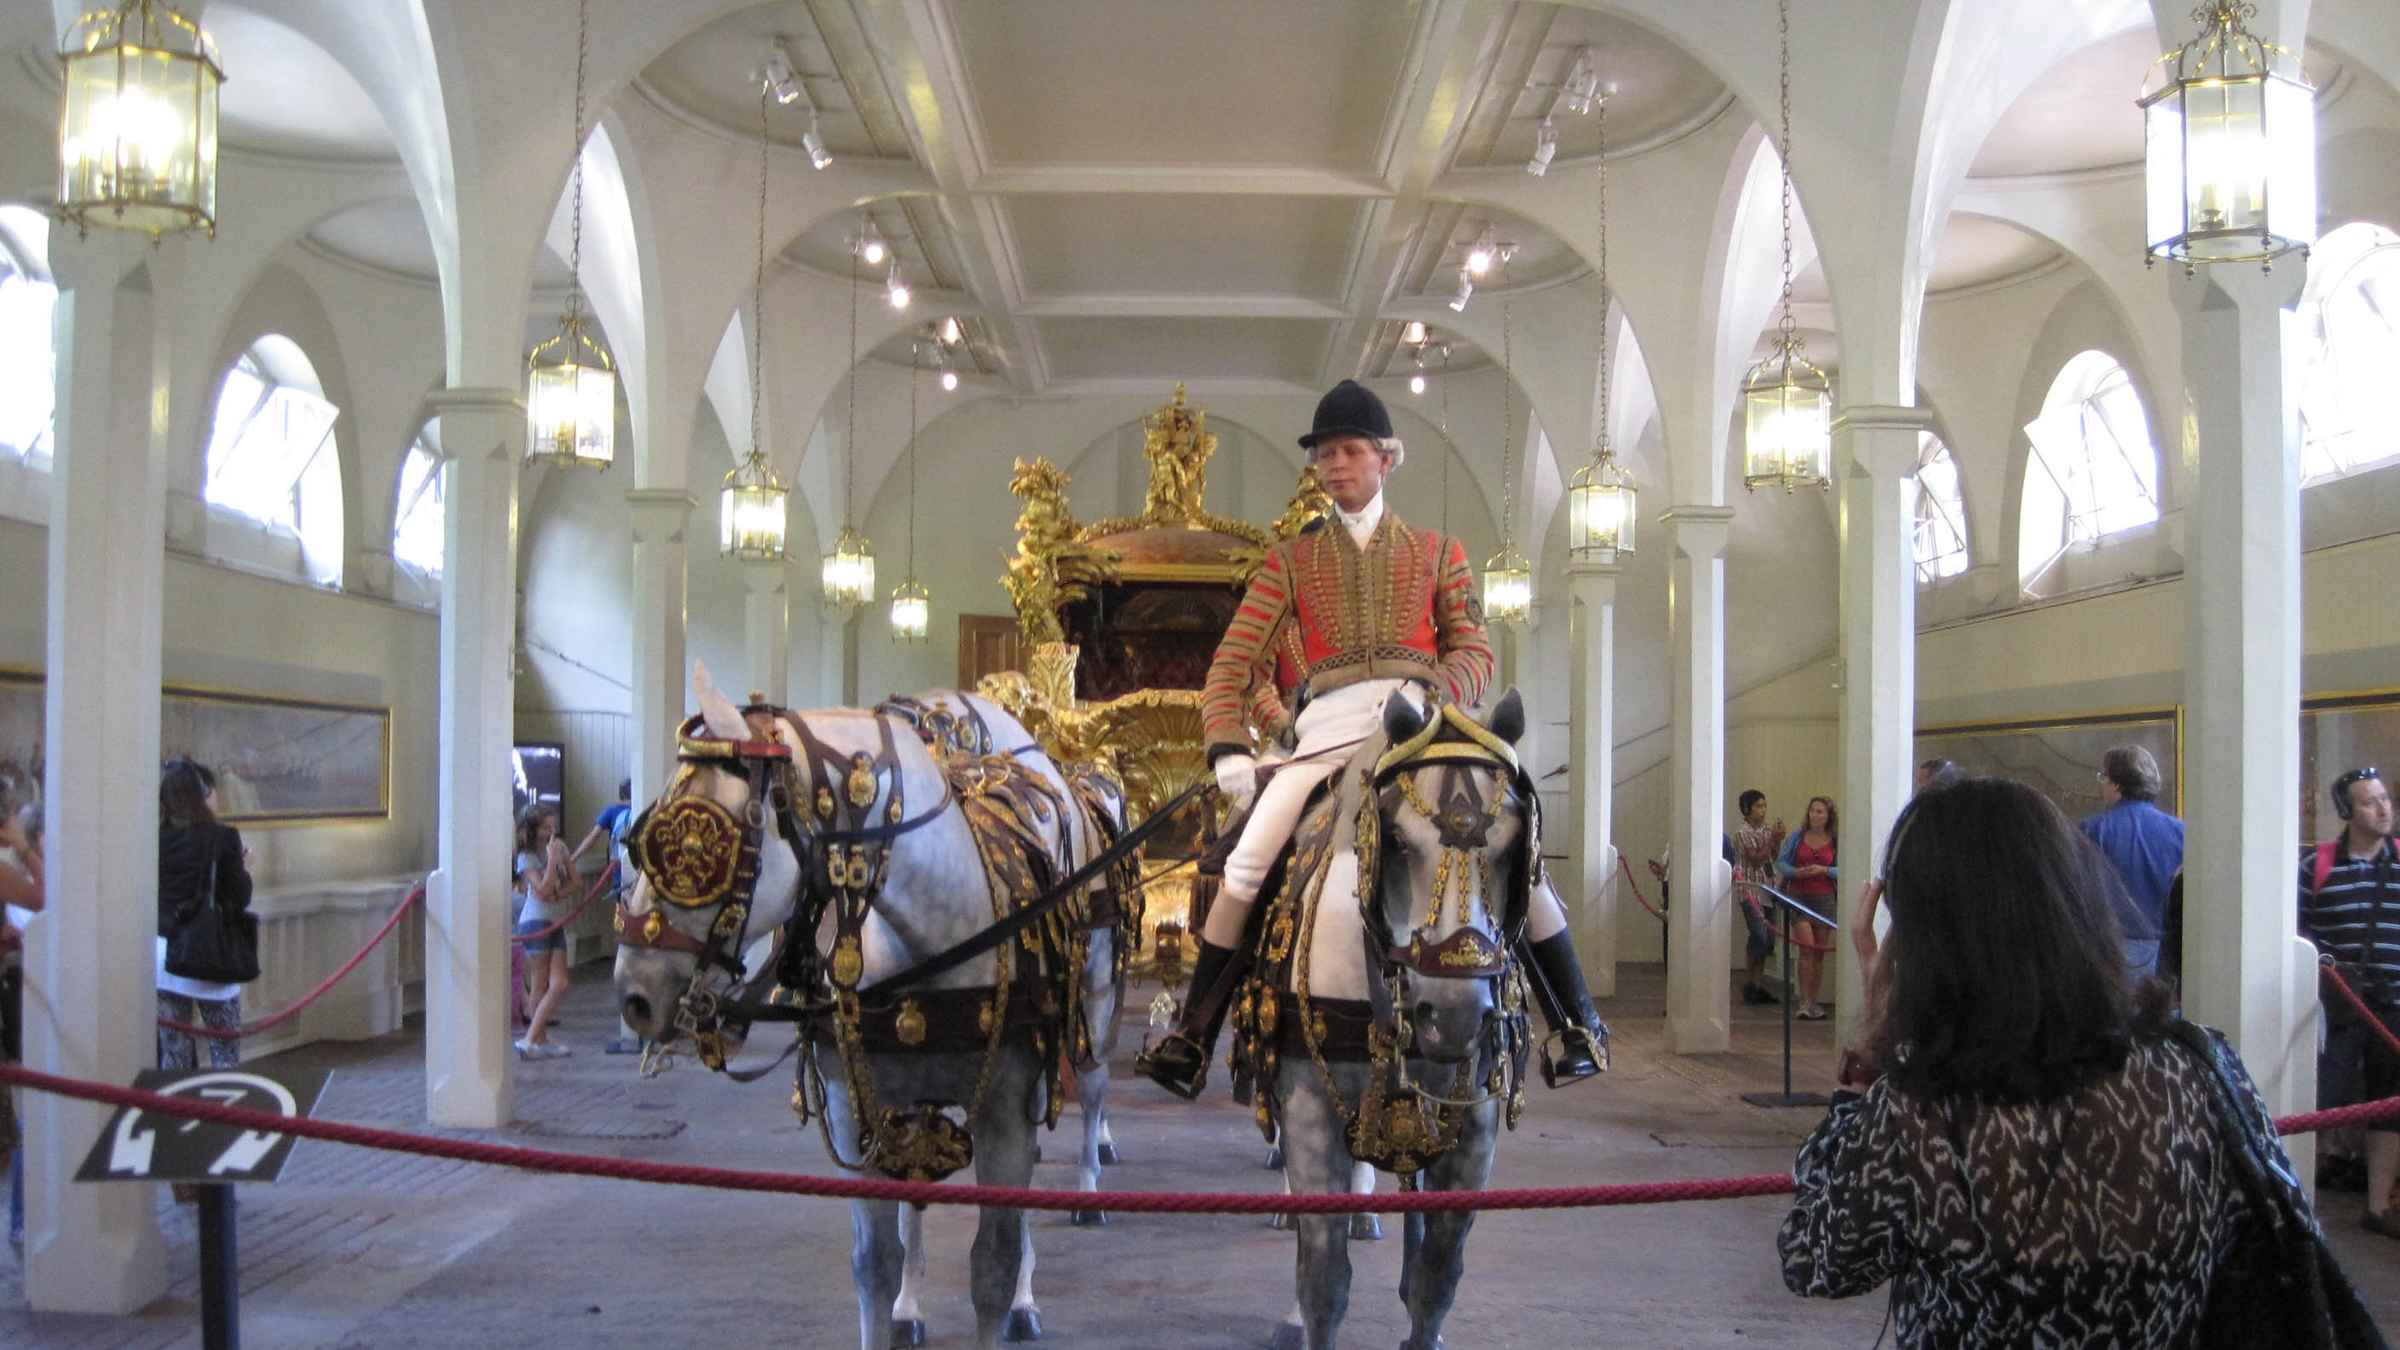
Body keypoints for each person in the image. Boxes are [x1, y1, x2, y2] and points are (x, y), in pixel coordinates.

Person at [1138, 379, 1608, 1099]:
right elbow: (1232, 665)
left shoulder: (1437, 551)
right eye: (1325, 454)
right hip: (1325, 732)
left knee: (1513, 844)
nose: (1335, 465)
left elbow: (1474, 652)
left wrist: (1431, 695)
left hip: (1421, 726)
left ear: (1387, 459)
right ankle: (1193, 1034)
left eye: (1350, 451)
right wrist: (1228, 746)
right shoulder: (1287, 561)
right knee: (1249, 861)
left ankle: (1574, 1022)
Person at [1781, 778, 2349, 1345]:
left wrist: (1869, 1062)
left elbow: (1817, 1259)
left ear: (1927, 935)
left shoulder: (1923, 1109)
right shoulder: (2195, 1070)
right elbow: (2278, 1233)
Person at [2298, 766, 2400, 1237]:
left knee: (2388, 1105)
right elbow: (2297, 932)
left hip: (2393, 1006)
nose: (2382, 810)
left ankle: (2377, 1207)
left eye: (2384, 799)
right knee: (2322, 1100)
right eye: (2368, 802)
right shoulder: (2316, 867)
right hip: (2339, 1009)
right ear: (2347, 811)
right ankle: (2299, 1202)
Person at [156, 760, 253, 1073]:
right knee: (224, 1053)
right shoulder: (223, 838)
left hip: (165, 954)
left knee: (174, 1056)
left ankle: (173, 1118)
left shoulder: (156, 839)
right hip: (211, 953)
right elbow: (239, 897)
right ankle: (223, 1117)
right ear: (202, 794)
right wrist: (244, 868)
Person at [2078, 744, 2182, 978]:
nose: (2101, 784)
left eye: (2103, 777)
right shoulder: (2181, 833)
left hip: (2111, 954)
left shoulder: (2093, 830)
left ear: (2116, 783)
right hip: (2168, 958)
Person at [512, 805, 574, 1060]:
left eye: (553, 826)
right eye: (546, 827)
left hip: (555, 920)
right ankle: (531, 1039)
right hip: (535, 921)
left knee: (559, 982)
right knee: (539, 984)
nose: (552, 832)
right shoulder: (526, 858)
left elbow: (575, 882)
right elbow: (541, 889)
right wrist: (551, 861)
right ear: (533, 830)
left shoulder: (560, 848)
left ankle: (539, 1037)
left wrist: (559, 890)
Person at [1775, 796, 1839, 1021]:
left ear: (1828, 815)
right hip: (1799, 897)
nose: (1815, 815)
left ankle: (1814, 1001)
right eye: (1812, 810)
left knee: (1819, 954)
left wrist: (1824, 870)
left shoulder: (1835, 839)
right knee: (1806, 948)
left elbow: (1845, 867)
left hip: (1824, 899)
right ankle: (1803, 1002)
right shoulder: (1797, 837)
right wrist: (1796, 873)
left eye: (1820, 811)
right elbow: (1781, 862)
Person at [1733, 790, 1784, 1006]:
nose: (1762, 811)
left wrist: (1776, 840)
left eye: (1764, 806)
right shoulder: (1742, 832)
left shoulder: (1767, 830)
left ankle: (1757, 983)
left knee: (1769, 940)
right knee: (1759, 934)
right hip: (1750, 889)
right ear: (1747, 809)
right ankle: (1748, 982)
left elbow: (1772, 856)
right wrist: (1773, 838)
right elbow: (1754, 859)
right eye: (1758, 806)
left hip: (1767, 887)